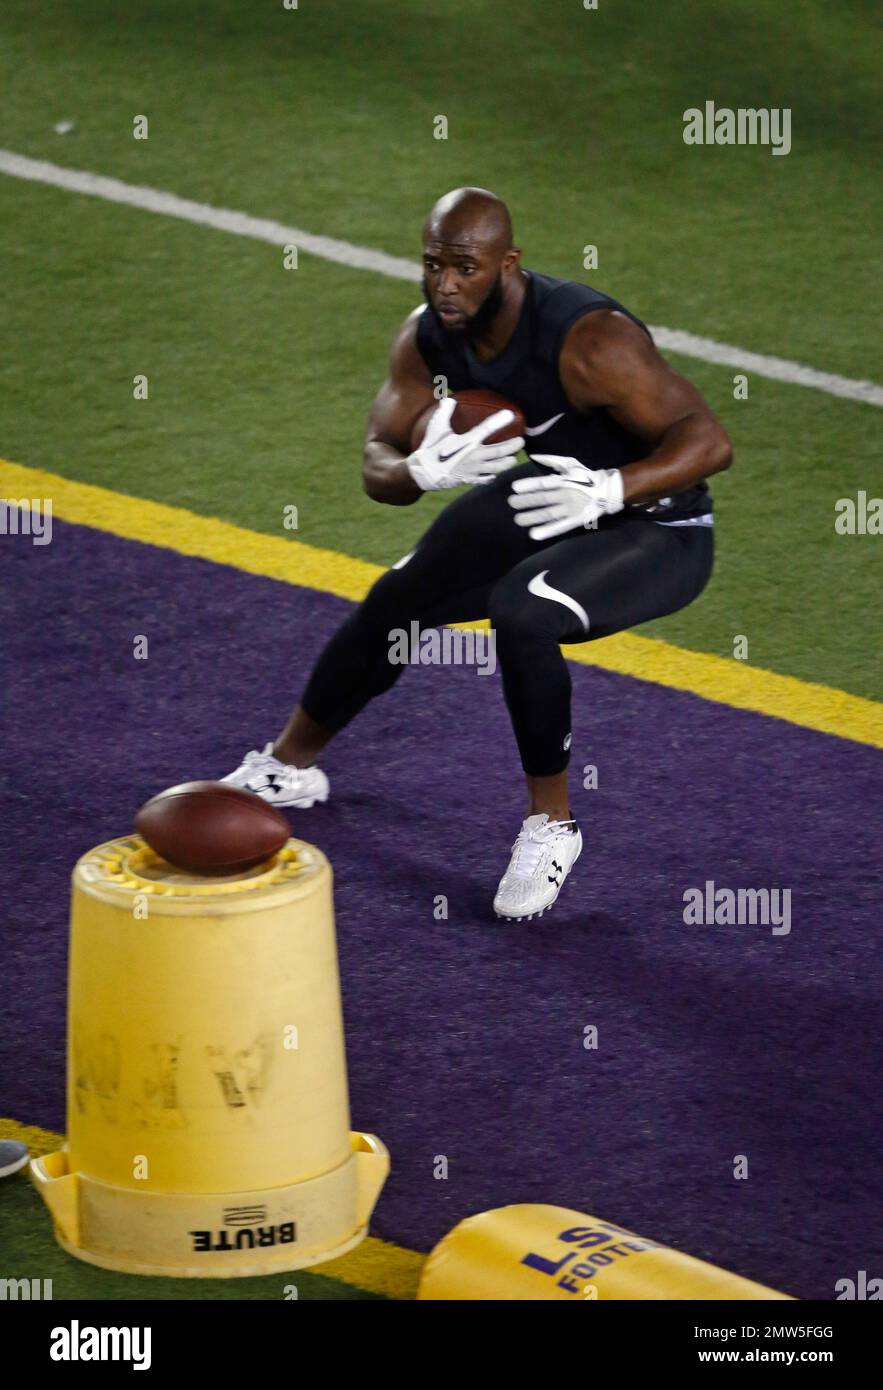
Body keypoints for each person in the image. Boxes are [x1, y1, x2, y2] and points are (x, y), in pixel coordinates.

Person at [224, 187, 732, 921]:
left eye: (464, 267)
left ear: (508, 264)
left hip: (657, 526)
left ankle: (550, 827)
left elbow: (708, 442)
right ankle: (285, 767)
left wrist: (610, 489)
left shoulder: (588, 340)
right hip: (552, 495)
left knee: (520, 612)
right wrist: (417, 472)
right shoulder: (428, 336)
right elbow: (377, 462)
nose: (444, 283)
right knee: (403, 594)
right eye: (433, 264)